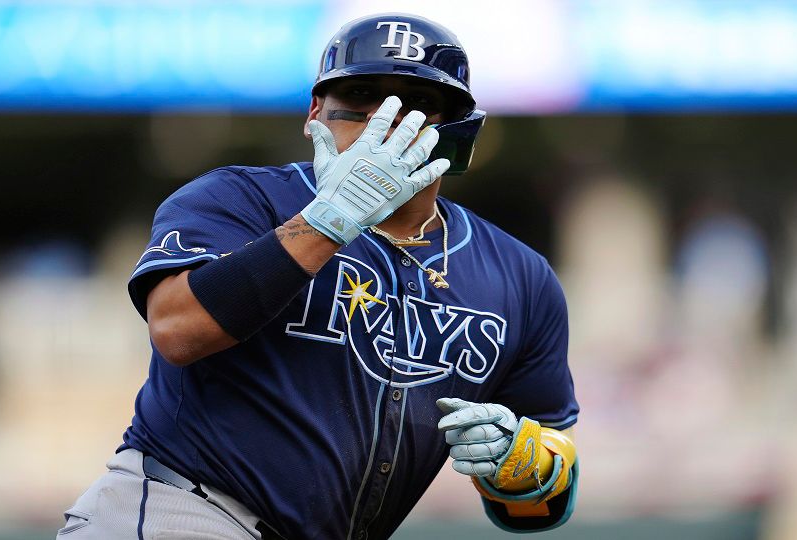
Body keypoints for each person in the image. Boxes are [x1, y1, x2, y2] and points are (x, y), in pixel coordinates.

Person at [58, 12, 579, 539]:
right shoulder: (240, 199)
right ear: (316, 112)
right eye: (361, 97)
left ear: (456, 133)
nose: (384, 122)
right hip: (185, 509)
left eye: (412, 105)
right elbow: (175, 329)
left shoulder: (520, 276)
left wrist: (523, 468)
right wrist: (327, 222)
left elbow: (543, 506)